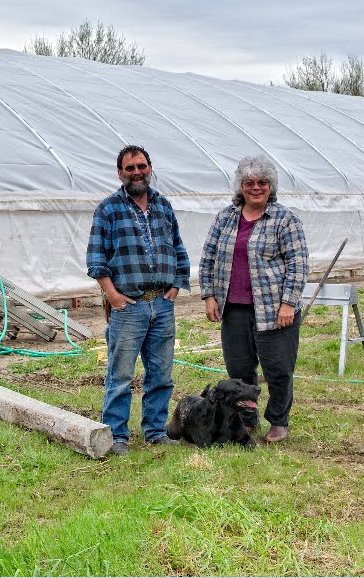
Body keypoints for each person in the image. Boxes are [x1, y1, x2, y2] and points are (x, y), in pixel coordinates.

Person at [87, 144, 190, 457]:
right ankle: (117, 435)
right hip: (128, 307)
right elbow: (95, 257)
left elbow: (178, 247)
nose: (137, 172)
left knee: (161, 374)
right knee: (120, 375)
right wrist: (113, 295)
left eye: (141, 166)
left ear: (150, 168)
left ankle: (155, 431)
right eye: (130, 168)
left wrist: (175, 287)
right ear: (120, 173)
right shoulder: (109, 209)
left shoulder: (164, 206)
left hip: (161, 303)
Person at [199, 155, 309, 443]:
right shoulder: (226, 217)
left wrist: (288, 303)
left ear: (271, 186)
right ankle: (247, 420)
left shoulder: (285, 220)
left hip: (274, 310)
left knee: (278, 369)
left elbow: (298, 264)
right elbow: (208, 257)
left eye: (262, 183)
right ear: (241, 186)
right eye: (249, 183)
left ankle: (278, 421)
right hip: (234, 309)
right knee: (239, 370)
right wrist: (209, 295)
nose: (256, 188)